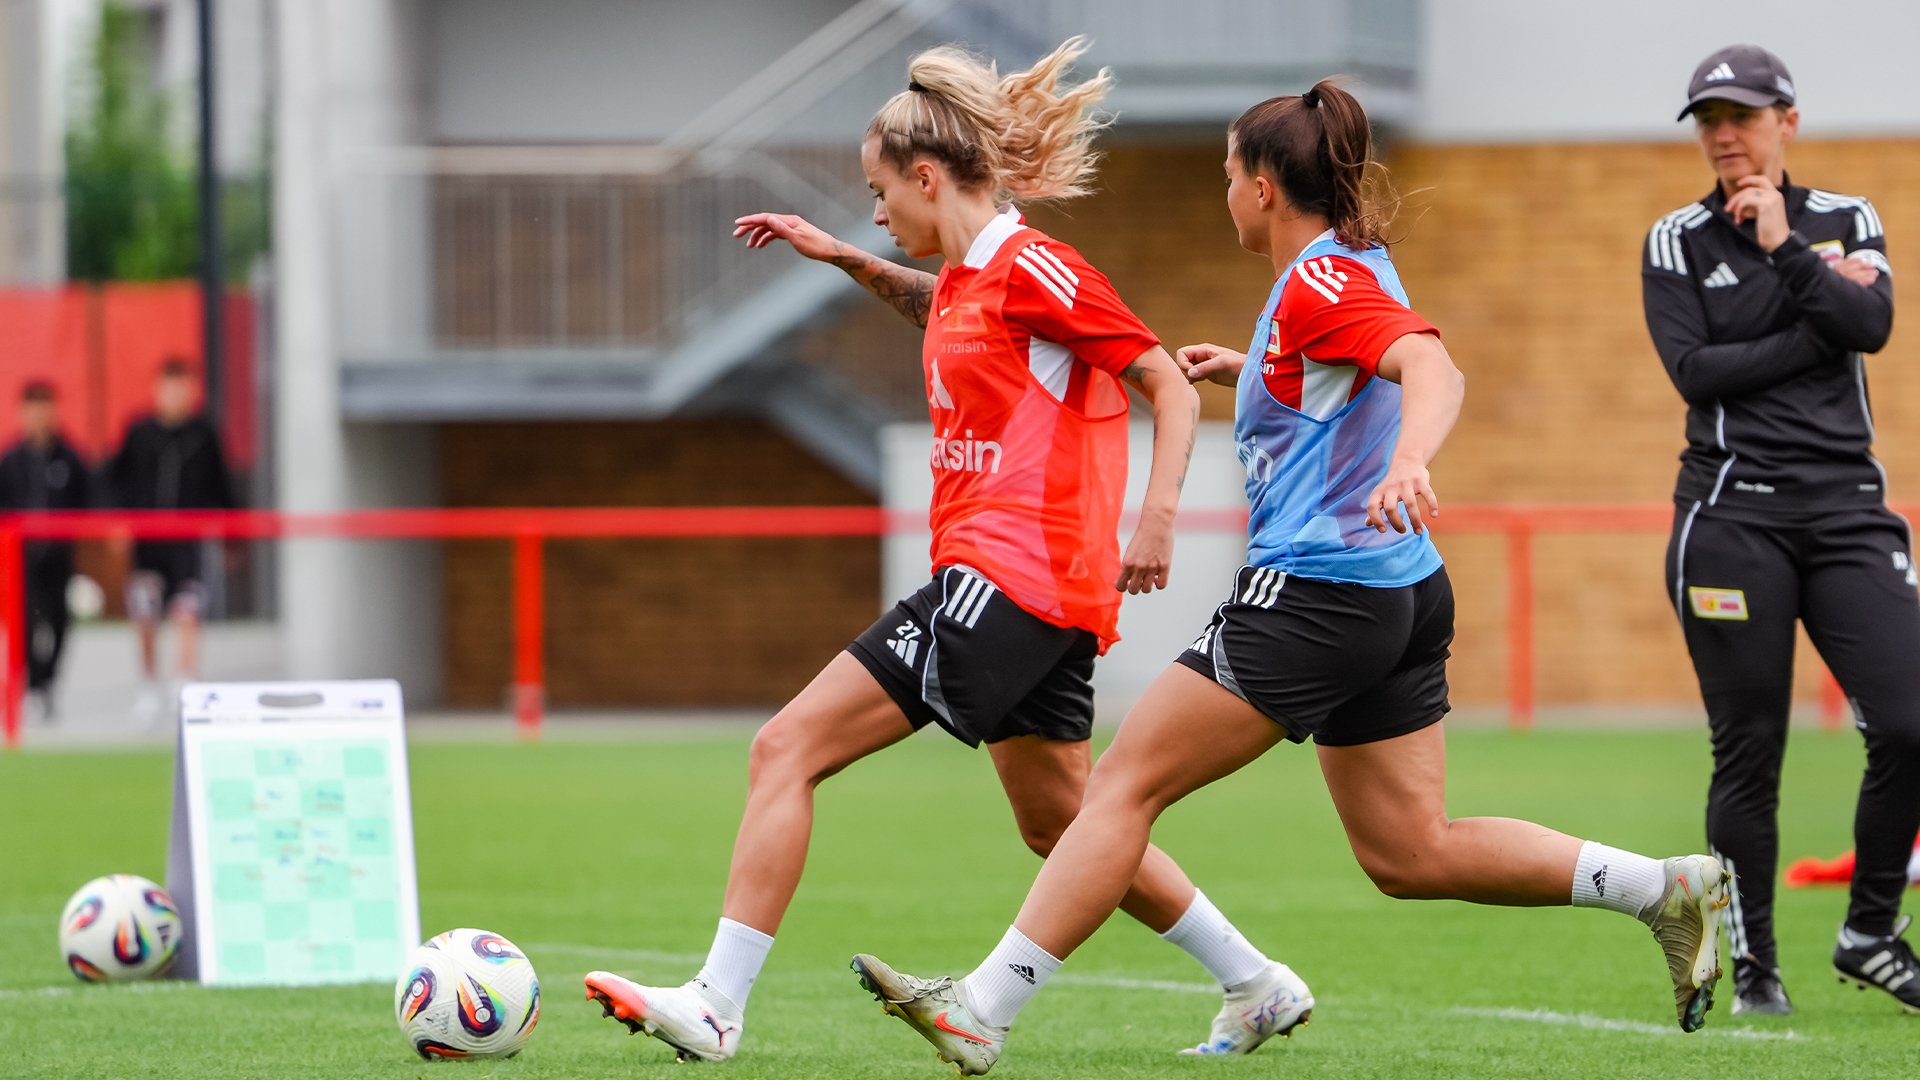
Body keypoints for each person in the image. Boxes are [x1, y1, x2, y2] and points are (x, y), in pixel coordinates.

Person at [852, 79, 1732, 1076]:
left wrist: (1409, 459)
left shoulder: (1320, 285)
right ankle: (1662, 889)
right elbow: (1345, 366)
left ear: (1264, 188)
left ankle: (983, 1007)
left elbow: (1432, 368)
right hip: (1396, 594)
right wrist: (1257, 369)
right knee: (1411, 852)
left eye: (1228, 174)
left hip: (1314, 596)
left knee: (1117, 793)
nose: (1224, 191)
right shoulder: (1333, 274)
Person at [582, 37, 1312, 1063]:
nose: (875, 212)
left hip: (1005, 580)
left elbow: (1165, 380)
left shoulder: (1038, 265)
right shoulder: (975, 278)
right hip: (1034, 590)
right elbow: (953, 313)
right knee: (1065, 822)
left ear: (927, 175)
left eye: (880, 193)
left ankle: (716, 1002)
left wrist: (1157, 521)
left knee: (784, 748)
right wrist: (845, 261)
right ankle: (1257, 982)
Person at [1643, 44, 1919, 1016]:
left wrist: (1784, 254)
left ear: (1786, 122)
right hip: (1730, 519)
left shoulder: (1847, 219)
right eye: (1708, 120)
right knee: (1750, 747)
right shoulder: (1674, 240)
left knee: (1912, 722)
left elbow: (1875, 323)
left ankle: (1870, 930)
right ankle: (1757, 968)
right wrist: (1817, 313)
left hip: (1848, 513)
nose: (1724, 135)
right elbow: (1696, 373)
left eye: (1743, 116)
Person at [105, 358, 235, 715]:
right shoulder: (140, 431)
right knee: (145, 614)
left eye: (182, 387)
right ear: (157, 390)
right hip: (147, 541)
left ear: (192, 390)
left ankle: (186, 683)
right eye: (169, 387)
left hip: (188, 541)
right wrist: (117, 522)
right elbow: (115, 480)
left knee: (188, 611)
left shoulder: (203, 433)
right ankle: (149, 685)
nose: (175, 395)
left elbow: (222, 486)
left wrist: (232, 536)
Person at [0, 381, 93, 722]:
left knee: (60, 622)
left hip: (59, 557)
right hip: (20, 558)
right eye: (32, 409)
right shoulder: (11, 460)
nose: (39, 417)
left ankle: (45, 683)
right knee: (24, 621)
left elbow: (88, 502)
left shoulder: (69, 458)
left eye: (45, 409)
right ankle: (29, 686)